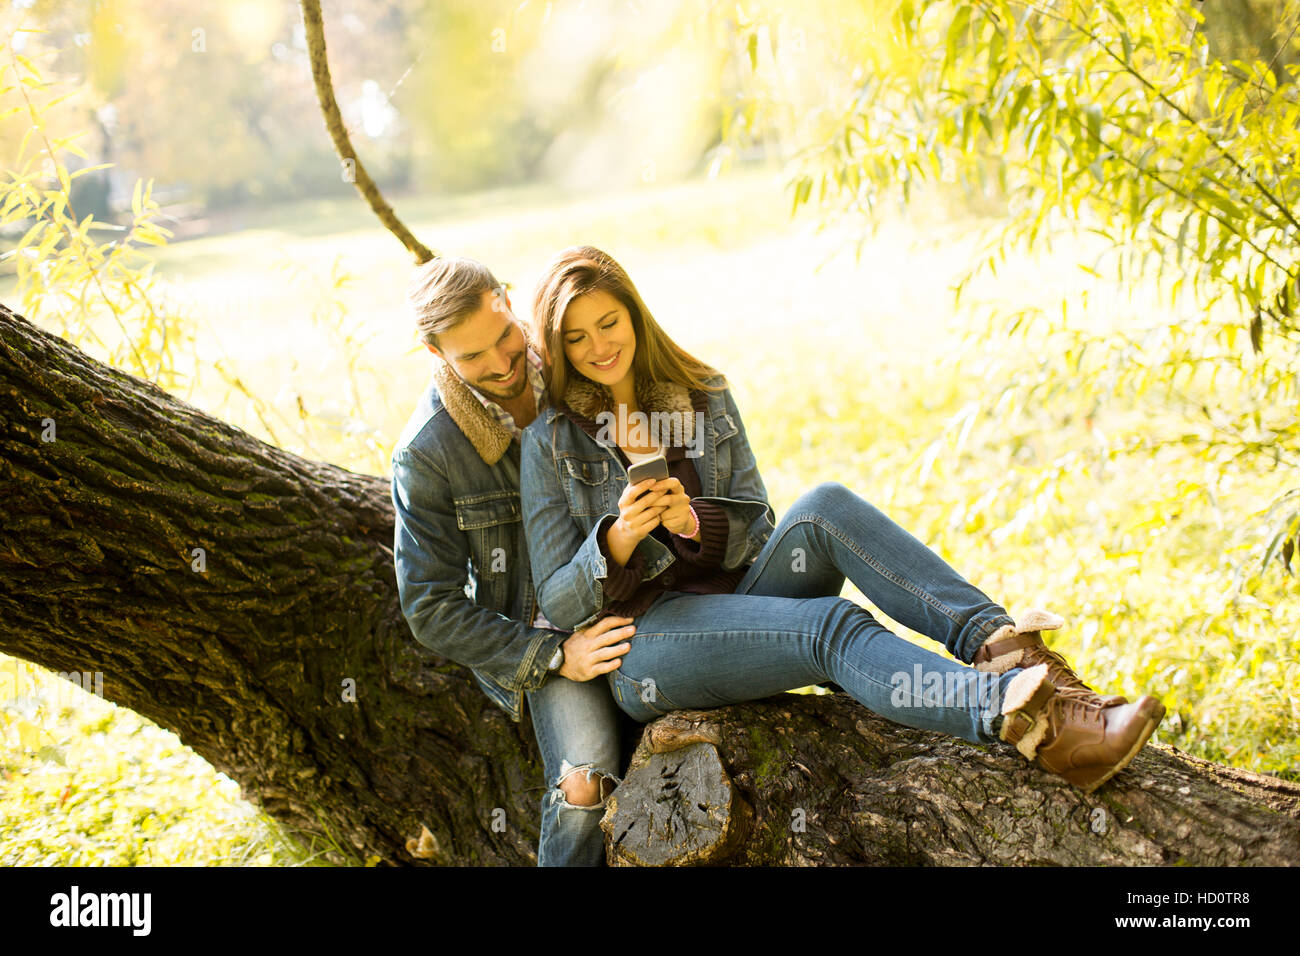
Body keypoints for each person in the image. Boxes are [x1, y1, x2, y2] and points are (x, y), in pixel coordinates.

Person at [520, 245, 1167, 794]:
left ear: (633, 312)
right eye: (575, 337)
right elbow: (557, 595)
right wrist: (620, 538)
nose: (598, 346)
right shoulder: (551, 439)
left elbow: (757, 530)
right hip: (648, 647)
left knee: (825, 505)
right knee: (832, 626)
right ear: (557, 344)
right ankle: (1030, 722)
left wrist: (692, 522)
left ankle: (1005, 652)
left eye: (608, 323)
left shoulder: (700, 391)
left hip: (741, 604)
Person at [391, 256, 640, 866]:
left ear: (507, 299)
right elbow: (431, 607)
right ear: (434, 352)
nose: (502, 364)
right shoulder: (427, 453)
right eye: (472, 357)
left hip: (627, 588)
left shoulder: (576, 364)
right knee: (585, 783)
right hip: (543, 634)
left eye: (505, 337)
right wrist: (558, 655)